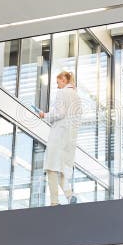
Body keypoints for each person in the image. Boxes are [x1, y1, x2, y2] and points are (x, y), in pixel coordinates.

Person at [39, 71, 83, 205]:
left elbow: (60, 113)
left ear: (64, 80)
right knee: (62, 168)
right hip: (70, 139)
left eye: (58, 83)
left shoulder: (62, 93)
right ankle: (70, 195)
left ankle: (54, 202)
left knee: (51, 167)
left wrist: (45, 115)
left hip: (58, 135)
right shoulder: (77, 97)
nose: (57, 86)